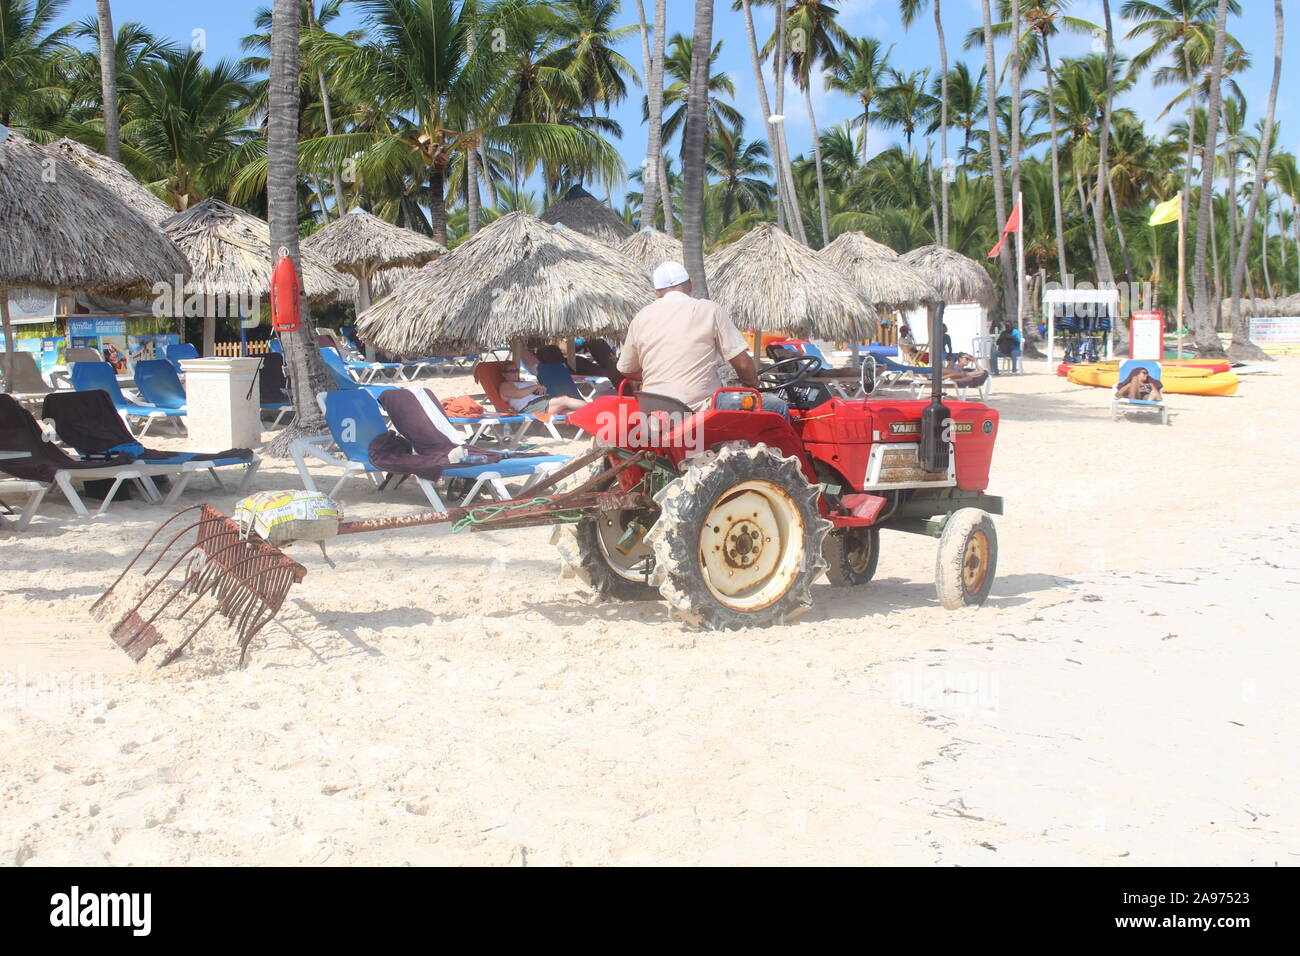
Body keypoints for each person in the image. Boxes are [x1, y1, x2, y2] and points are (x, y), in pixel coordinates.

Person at [617, 261, 788, 417]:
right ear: (690, 283)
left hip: (653, 409)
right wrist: (753, 386)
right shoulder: (709, 309)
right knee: (777, 406)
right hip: (700, 407)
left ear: (656, 292)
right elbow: (743, 364)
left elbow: (626, 369)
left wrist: (655, 376)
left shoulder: (640, 318)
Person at [498, 364, 588, 415]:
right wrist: (536, 386)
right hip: (530, 407)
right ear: (504, 374)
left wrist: (541, 389)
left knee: (567, 412)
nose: (515, 373)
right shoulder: (505, 385)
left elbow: (533, 391)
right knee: (564, 400)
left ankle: (595, 418)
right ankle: (596, 408)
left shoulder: (522, 382)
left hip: (541, 402)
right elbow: (519, 394)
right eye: (510, 371)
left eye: (516, 370)